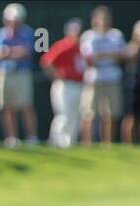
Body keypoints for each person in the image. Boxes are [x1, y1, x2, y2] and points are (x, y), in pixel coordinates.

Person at [0, 3, 38, 148]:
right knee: (7, 107)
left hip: (22, 73)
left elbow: (26, 52)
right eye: (10, 21)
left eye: (16, 21)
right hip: (3, 73)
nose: (13, 24)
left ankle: (31, 137)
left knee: (26, 105)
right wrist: (11, 52)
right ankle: (11, 138)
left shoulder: (29, 32)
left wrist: (7, 52)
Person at [79, 5, 125, 147]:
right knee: (89, 112)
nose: (104, 22)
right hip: (94, 77)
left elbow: (121, 54)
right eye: (101, 19)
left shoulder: (116, 35)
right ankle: (88, 143)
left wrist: (104, 55)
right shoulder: (88, 36)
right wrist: (109, 54)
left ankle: (107, 144)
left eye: (106, 19)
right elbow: (90, 57)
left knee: (111, 112)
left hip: (112, 76)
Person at [40, 19, 85, 148]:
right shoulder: (64, 45)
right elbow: (46, 61)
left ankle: (70, 142)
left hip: (78, 84)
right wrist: (56, 75)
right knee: (64, 115)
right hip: (65, 85)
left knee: (75, 115)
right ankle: (56, 141)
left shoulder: (81, 47)